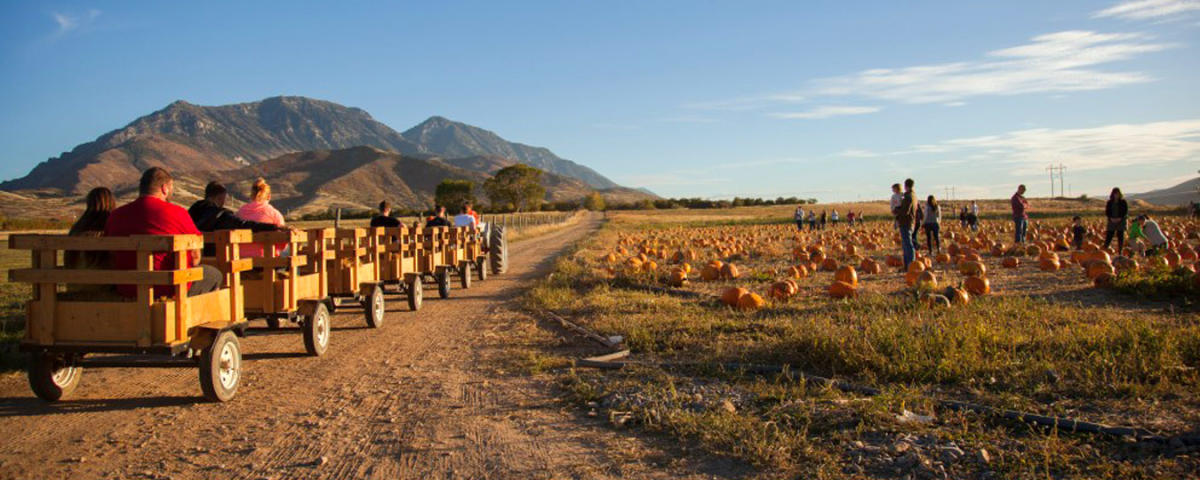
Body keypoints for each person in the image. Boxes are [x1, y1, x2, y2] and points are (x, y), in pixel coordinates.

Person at [105, 167, 222, 297]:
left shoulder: (115, 216)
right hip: (168, 289)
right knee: (213, 274)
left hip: (126, 289)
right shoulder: (177, 213)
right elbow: (195, 258)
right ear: (164, 188)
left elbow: (111, 256)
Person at [189, 181, 287, 256]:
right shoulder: (222, 215)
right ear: (219, 198)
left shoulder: (190, 212)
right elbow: (244, 225)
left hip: (192, 259)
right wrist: (275, 227)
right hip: (215, 263)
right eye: (223, 199)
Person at [235, 178, 288, 258]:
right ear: (269, 196)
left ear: (251, 195)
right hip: (266, 259)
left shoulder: (240, 212)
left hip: (240, 259)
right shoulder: (274, 214)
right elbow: (282, 243)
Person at [895, 179, 917, 269]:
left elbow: (905, 211)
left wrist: (897, 210)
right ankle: (907, 265)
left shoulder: (908, 197)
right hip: (910, 222)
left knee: (907, 244)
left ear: (906, 186)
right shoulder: (913, 196)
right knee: (905, 244)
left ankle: (911, 265)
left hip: (906, 222)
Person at [1103, 188, 1128, 253]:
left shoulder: (1123, 202)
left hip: (1121, 221)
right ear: (1113, 194)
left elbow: (1125, 211)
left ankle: (1120, 251)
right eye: (1115, 194)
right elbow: (1107, 211)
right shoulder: (1109, 202)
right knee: (1109, 235)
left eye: (1117, 194)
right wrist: (1111, 218)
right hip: (1112, 220)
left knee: (1120, 236)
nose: (1116, 195)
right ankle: (1104, 249)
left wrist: (1120, 218)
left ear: (1120, 194)